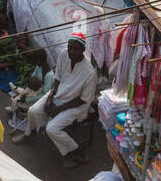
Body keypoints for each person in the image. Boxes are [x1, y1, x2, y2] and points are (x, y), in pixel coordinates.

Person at [12, 34, 98, 167]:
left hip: (76, 106)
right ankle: (30, 133)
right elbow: (57, 78)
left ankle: (78, 153)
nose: (71, 51)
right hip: (57, 95)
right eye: (70, 47)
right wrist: (50, 98)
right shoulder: (64, 54)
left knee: (52, 129)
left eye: (75, 49)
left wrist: (58, 109)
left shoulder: (90, 72)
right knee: (33, 111)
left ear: (82, 50)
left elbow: (83, 99)